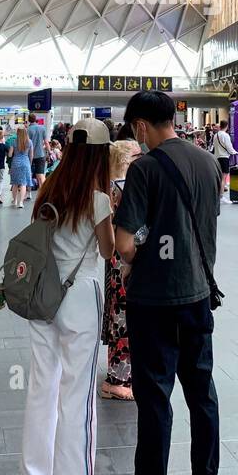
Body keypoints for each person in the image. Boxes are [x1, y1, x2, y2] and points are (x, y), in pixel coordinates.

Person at [113, 90, 221, 475]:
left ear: (141, 125)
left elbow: (125, 244)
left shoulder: (144, 169)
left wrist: (143, 241)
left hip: (153, 300)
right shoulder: (208, 162)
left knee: (155, 398)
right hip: (198, 293)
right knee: (202, 394)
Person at [20, 118, 115, 475]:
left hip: (42, 294)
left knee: (42, 384)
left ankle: (35, 472)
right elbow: (107, 251)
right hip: (80, 296)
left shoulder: (48, 190)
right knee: (78, 391)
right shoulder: (98, 199)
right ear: (99, 156)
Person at [101, 139, 142, 401]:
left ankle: (118, 374)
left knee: (117, 313)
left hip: (113, 256)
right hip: (126, 257)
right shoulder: (126, 186)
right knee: (124, 317)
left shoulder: (107, 186)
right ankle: (118, 378)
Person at [210, 119, 235, 204]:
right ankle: (221, 197)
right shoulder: (225, 135)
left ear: (220, 125)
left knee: (219, 177)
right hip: (224, 158)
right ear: (227, 126)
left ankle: (217, 196)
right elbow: (229, 147)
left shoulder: (215, 135)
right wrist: (234, 152)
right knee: (223, 178)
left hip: (217, 157)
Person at [9, 125, 33, 208]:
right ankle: (21, 203)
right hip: (25, 163)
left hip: (15, 163)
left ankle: (15, 200)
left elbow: (10, 154)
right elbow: (31, 155)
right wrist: (29, 163)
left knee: (15, 183)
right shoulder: (29, 142)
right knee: (23, 183)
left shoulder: (14, 141)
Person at [27, 115, 48, 198]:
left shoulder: (28, 130)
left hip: (30, 155)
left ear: (29, 120)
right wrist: (49, 152)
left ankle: (29, 194)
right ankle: (44, 192)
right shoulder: (42, 128)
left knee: (29, 174)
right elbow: (46, 142)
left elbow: (27, 143)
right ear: (36, 120)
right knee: (41, 175)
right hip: (41, 154)